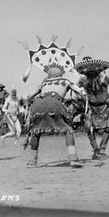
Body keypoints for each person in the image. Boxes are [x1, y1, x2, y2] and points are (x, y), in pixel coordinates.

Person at [22, 38, 86, 167]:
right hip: (54, 103)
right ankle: (73, 159)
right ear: (62, 71)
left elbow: (29, 96)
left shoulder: (44, 82)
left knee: (36, 131)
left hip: (38, 104)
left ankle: (32, 161)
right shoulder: (66, 81)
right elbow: (80, 92)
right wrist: (84, 92)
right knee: (68, 130)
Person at [75, 57, 109, 158]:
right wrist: (81, 96)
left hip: (106, 106)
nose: (91, 72)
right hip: (91, 107)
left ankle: (102, 148)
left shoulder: (104, 78)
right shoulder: (83, 80)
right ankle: (95, 149)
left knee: (108, 127)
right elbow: (75, 88)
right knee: (89, 128)